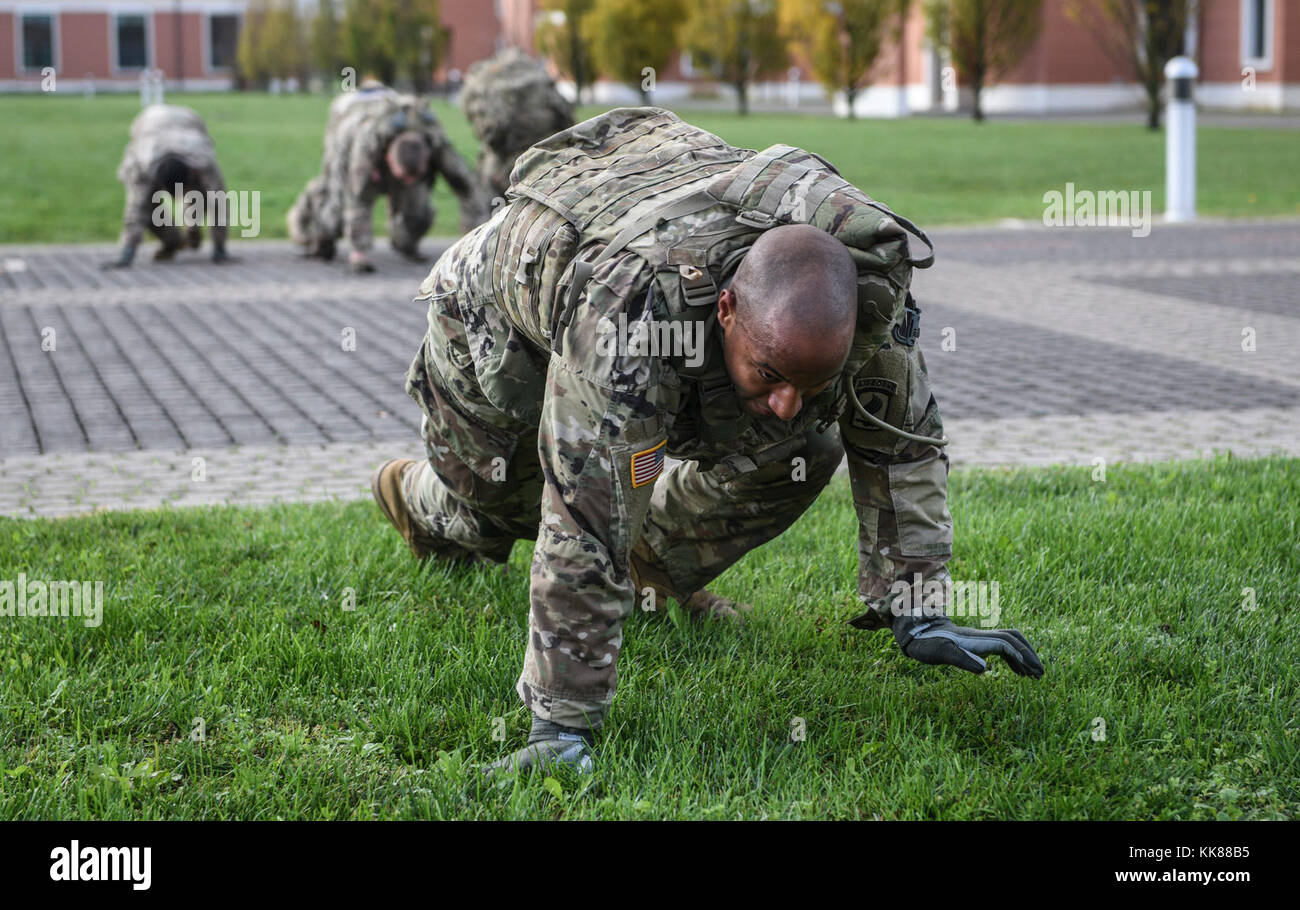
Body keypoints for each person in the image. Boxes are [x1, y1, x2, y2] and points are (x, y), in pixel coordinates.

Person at [370, 107, 1043, 775]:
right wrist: (560, 727)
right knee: (504, 511)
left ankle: (652, 577)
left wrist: (917, 606)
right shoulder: (632, 314)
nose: (786, 403)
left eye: (810, 381)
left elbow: (904, 441)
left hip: (646, 278)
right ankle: (413, 492)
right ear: (726, 310)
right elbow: (586, 516)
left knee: (804, 448)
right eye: (772, 375)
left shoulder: (863, 297)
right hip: (494, 317)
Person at [287, 84, 488, 273]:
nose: (408, 183)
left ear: (427, 158)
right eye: (402, 177)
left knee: (417, 211)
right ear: (388, 159)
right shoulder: (366, 145)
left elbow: (468, 189)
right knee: (336, 209)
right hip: (349, 116)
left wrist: (475, 246)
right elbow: (357, 198)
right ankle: (315, 231)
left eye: (413, 178)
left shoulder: (436, 142)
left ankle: (405, 244)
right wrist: (358, 254)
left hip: (387, 104)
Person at [106, 104, 228, 268]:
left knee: (203, 193)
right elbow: (136, 210)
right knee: (147, 204)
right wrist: (127, 253)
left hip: (190, 120)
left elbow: (218, 201)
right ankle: (172, 240)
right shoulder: (141, 166)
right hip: (146, 124)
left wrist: (219, 248)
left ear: (192, 172)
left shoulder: (202, 161)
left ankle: (192, 229)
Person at [459, 48, 574, 202]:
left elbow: (490, 130)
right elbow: (566, 117)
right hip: (547, 156)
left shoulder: (490, 85)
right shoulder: (540, 81)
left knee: (493, 207)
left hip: (510, 162)